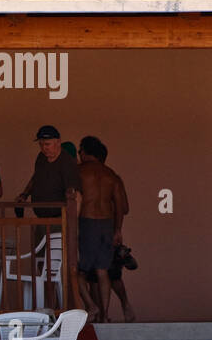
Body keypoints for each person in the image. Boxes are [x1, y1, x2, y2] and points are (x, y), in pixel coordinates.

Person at [76, 136, 129, 322]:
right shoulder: (111, 175)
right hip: (107, 224)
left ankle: (91, 305)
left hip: (86, 222)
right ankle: (105, 315)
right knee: (102, 270)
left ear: (84, 152)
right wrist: (118, 230)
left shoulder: (79, 172)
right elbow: (122, 207)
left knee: (78, 272)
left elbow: (72, 199)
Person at [17, 124, 81, 218]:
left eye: (47, 144)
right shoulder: (41, 157)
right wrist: (24, 195)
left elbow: (76, 195)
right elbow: (36, 178)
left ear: (58, 142)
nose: (44, 148)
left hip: (59, 218)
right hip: (41, 216)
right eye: (41, 144)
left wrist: (71, 223)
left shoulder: (67, 162)